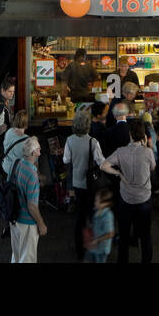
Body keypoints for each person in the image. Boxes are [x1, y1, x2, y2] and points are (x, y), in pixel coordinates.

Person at [100, 118, 157, 263]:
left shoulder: (121, 151)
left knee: (124, 237)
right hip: (144, 200)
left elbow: (104, 165)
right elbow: (153, 168)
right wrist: (145, 146)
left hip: (126, 200)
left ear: (130, 135)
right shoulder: (148, 152)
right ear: (143, 135)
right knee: (146, 237)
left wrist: (118, 174)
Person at [62, 108, 106, 260]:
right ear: (88, 125)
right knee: (93, 214)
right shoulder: (93, 142)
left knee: (80, 216)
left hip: (77, 182)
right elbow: (101, 161)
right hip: (91, 183)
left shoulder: (69, 140)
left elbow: (66, 160)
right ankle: (94, 244)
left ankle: (79, 248)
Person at [9, 136, 47, 263]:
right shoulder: (32, 175)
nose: (40, 152)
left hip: (14, 218)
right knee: (27, 258)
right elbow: (32, 206)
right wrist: (41, 223)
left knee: (17, 254)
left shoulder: (16, 163)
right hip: (27, 223)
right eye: (38, 149)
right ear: (33, 153)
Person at [84, 188, 116, 263]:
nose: (95, 203)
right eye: (95, 200)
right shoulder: (96, 209)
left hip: (101, 249)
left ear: (106, 203)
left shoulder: (107, 215)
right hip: (93, 246)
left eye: (97, 201)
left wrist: (97, 240)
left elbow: (110, 233)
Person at [0, 110, 32, 179]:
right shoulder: (27, 140)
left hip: (6, 167)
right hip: (18, 171)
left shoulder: (9, 131)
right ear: (26, 123)